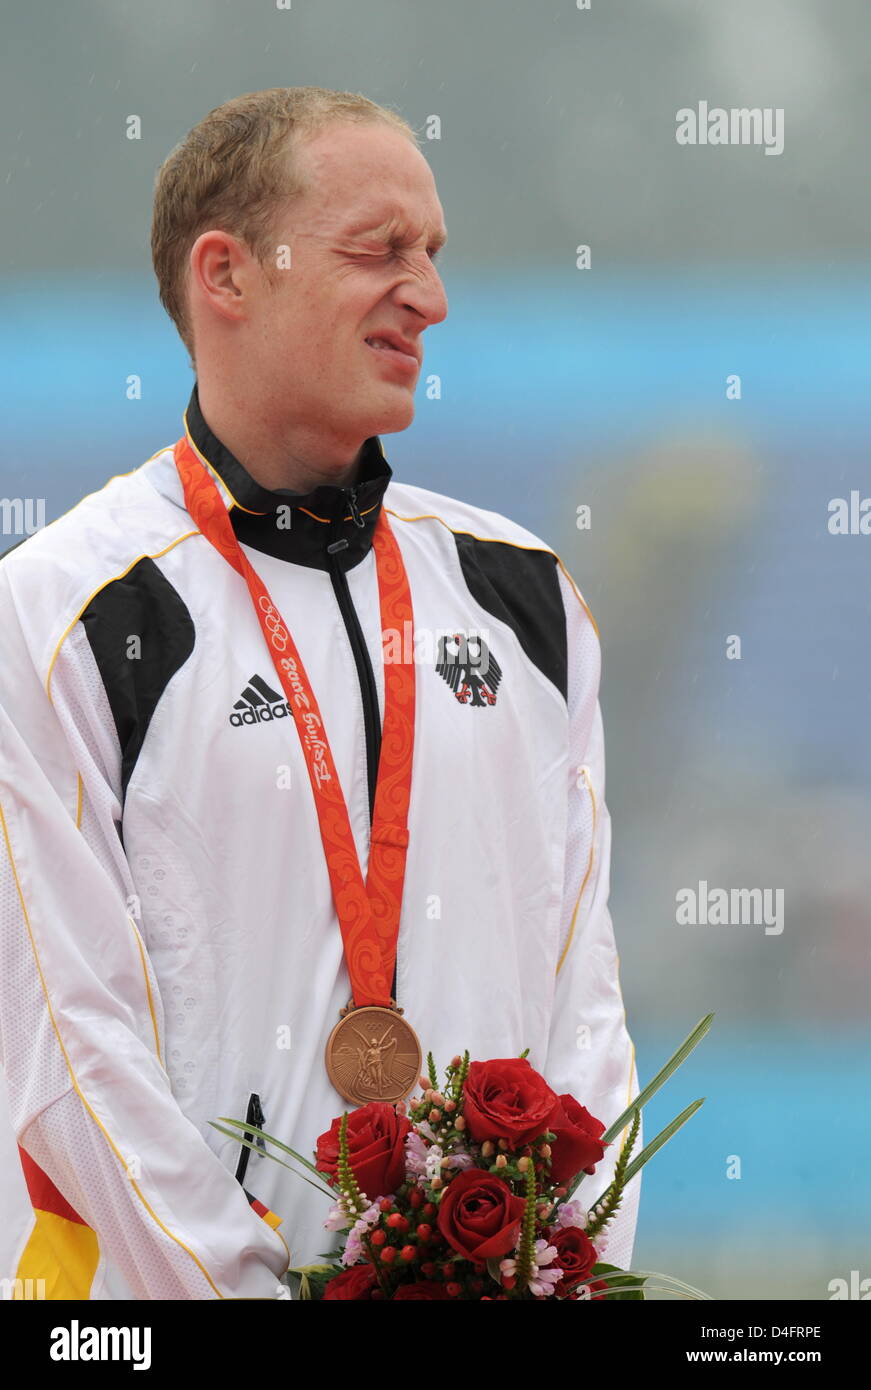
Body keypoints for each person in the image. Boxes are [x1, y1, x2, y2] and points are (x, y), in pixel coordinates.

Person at [0, 86, 642, 1300]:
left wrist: (567, 1279)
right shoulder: (63, 611)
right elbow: (66, 1047)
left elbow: (585, 1007)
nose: (431, 298)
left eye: (434, 256)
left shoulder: (527, 598)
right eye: (379, 251)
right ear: (227, 276)